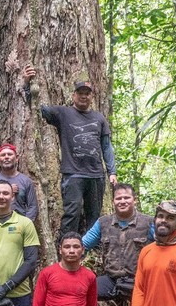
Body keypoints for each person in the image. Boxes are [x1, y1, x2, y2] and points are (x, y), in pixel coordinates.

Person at [22, 65, 118, 236]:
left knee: (94, 216)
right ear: (73, 95)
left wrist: (112, 171)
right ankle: (66, 248)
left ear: (91, 97)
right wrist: (28, 84)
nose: (83, 96)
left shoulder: (99, 118)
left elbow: (106, 146)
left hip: (96, 174)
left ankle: (90, 251)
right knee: (71, 213)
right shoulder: (63, 113)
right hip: (73, 173)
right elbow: (36, 107)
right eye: (80, 93)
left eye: (87, 93)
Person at [0, 142, 38, 220]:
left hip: (19, 223)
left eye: (9, 154)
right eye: (3, 155)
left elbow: (32, 206)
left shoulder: (26, 181)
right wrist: (7, 191)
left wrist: (26, 224)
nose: (6, 157)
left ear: (17, 158)